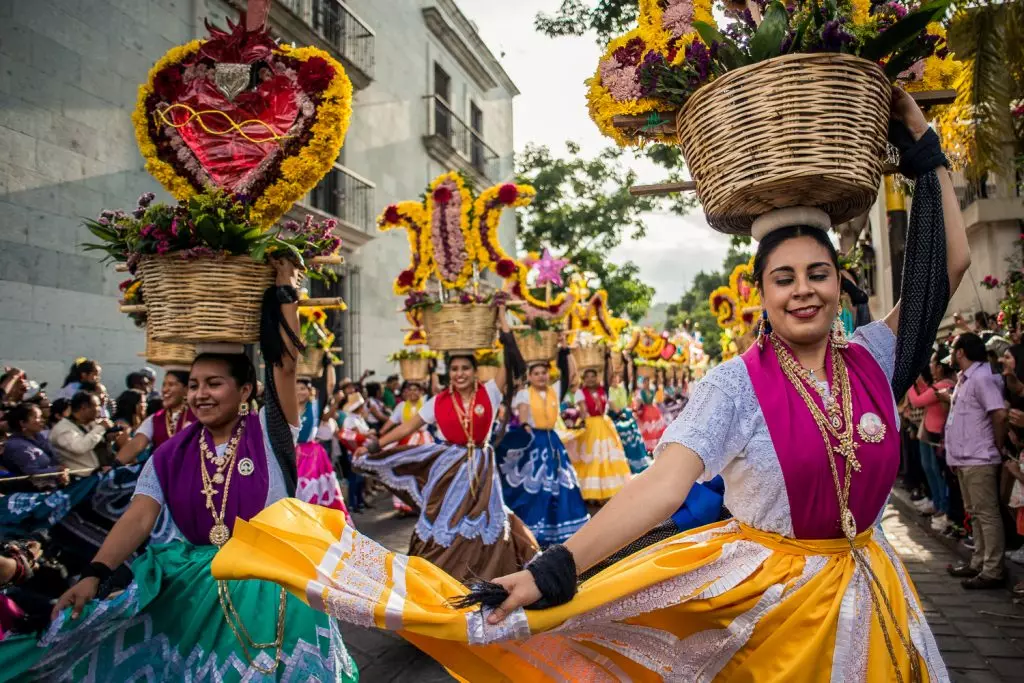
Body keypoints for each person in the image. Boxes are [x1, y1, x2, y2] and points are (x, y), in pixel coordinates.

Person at [212, 89, 966, 681]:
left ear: (840, 283)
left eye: (817, 274)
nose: (802, 291)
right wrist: (552, 568)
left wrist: (924, 153)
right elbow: (658, 490)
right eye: (783, 278)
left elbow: (948, 268)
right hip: (774, 617)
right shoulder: (733, 386)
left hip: (875, 586)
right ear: (762, 295)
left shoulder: (871, 356)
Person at [0, 258, 358, 680]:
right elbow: (137, 517)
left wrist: (283, 292)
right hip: (193, 591)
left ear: (245, 390)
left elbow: (285, 365)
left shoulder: (269, 433)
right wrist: (94, 575)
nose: (199, 394)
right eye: (193, 384)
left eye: (213, 384)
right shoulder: (169, 454)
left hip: (274, 587)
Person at [351, 306, 539, 581]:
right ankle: (441, 578)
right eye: (454, 369)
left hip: (482, 468)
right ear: (449, 372)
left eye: (465, 368)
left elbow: (512, 362)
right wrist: (374, 445)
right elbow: (407, 426)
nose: (459, 374)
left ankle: (484, 576)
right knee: (447, 522)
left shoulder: (490, 392)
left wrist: (502, 321)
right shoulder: (437, 402)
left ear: (475, 372)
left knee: (487, 521)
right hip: (449, 470)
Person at [496, 350, 590, 547]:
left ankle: (561, 531)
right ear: (530, 377)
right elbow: (523, 418)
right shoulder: (524, 394)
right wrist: (525, 426)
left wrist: (566, 351)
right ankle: (533, 532)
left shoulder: (554, 390)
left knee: (562, 485)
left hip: (553, 441)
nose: (541, 376)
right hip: (535, 443)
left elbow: (571, 375)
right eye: (536, 373)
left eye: (544, 373)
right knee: (536, 488)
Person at [945, 332, 1009, 589]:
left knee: (986, 513)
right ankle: (979, 561)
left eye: (953, 349)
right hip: (965, 457)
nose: (951, 353)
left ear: (961, 352)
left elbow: (1000, 414)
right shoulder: (965, 378)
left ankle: (992, 569)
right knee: (975, 513)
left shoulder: (982, 377)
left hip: (980, 457)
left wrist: (998, 444)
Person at [567, 366, 632, 503]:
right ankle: (591, 494)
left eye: (593, 376)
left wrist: (607, 358)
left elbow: (609, 402)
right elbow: (583, 410)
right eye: (587, 377)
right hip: (590, 425)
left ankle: (607, 492)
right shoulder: (580, 392)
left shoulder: (604, 390)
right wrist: (582, 422)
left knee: (606, 458)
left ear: (597, 378)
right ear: (583, 379)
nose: (590, 379)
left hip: (604, 425)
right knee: (591, 458)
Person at [908, 354, 956, 532]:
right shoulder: (939, 385)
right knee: (929, 469)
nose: (931, 367)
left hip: (936, 435)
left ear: (941, 368)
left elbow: (917, 401)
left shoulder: (944, 386)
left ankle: (942, 505)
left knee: (936, 471)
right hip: (928, 432)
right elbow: (924, 392)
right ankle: (937, 503)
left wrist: (910, 383)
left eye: (934, 364)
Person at [113, 370, 193, 466]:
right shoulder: (156, 418)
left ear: (186, 389)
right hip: (161, 474)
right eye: (164, 385)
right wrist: (114, 464)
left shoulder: (199, 416)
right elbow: (137, 444)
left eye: (171, 385)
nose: (165, 390)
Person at [294, 377, 348, 515]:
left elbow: (329, 384)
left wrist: (328, 361)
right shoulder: (288, 408)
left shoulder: (315, 406)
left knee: (314, 492)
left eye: (302, 389)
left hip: (312, 455)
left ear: (309, 390)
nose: (299, 392)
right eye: (295, 389)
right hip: (292, 453)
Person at [381, 381, 433, 515]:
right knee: (403, 473)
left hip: (423, 442)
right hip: (405, 441)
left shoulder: (427, 404)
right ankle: (404, 506)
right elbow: (391, 421)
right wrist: (380, 434)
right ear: (406, 392)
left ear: (421, 392)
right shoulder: (401, 406)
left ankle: (423, 505)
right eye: (410, 390)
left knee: (423, 474)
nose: (413, 393)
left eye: (416, 390)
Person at [49, 392, 124, 474]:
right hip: (84, 480)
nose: (100, 409)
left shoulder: (88, 422)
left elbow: (92, 444)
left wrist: (108, 438)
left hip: (104, 473)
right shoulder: (62, 429)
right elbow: (80, 448)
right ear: (84, 407)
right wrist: (101, 427)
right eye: (97, 405)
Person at [1, 404, 69, 489]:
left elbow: (55, 458)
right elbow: (32, 474)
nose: (42, 420)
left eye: (41, 417)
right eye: (37, 417)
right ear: (23, 423)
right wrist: (58, 470)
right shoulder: (15, 445)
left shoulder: (40, 437)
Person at [608, 370, 651, 473]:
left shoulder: (622, 389)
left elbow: (626, 403)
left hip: (625, 413)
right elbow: (612, 404)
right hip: (615, 415)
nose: (614, 380)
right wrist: (619, 413)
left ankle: (638, 461)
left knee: (635, 434)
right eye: (612, 378)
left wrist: (627, 412)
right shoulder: (609, 390)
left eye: (616, 378)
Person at [634, 373, 666, 453]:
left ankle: (654, 447)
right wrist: (637, 409)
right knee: (646, 431)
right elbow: (638, 402)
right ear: (643, 383)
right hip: (645, 411)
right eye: (645, 382)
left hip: (652, 410)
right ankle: (647, 447)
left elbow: (654, 400)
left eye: (648, 382)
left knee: (654, 429)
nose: (646, 384)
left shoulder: (652, 391)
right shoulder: (640, 392)